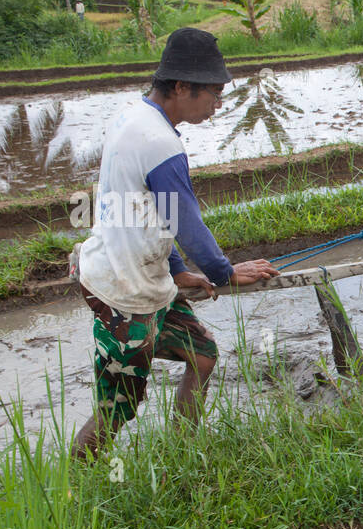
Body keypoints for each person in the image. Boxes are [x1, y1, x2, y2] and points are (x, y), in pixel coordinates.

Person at [71, 27, 279, 459]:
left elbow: (147, 211)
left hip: (143, 277)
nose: (218, 106)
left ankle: (184, 454)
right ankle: (76, 488)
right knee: (117, 409)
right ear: (182, 87)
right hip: (124, 292)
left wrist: (175, 269)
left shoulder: (134, 117)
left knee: (202, 354)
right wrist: (226, 273)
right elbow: (185, 221)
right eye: (214, 94)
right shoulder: (160, 142)